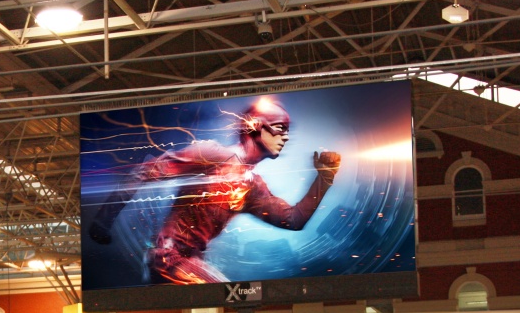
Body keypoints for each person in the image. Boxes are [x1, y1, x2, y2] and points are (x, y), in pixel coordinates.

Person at [87, 96, 343, 285]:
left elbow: (293, 220)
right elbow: (143, 173)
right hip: (169, 260)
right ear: (254, 126)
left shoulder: (252, 185)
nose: (285, 137)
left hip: (187, 263)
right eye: (279, 128)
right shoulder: (213, 155)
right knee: (228, 296)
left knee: (232, 297)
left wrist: (324, 179)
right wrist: (102, 221)